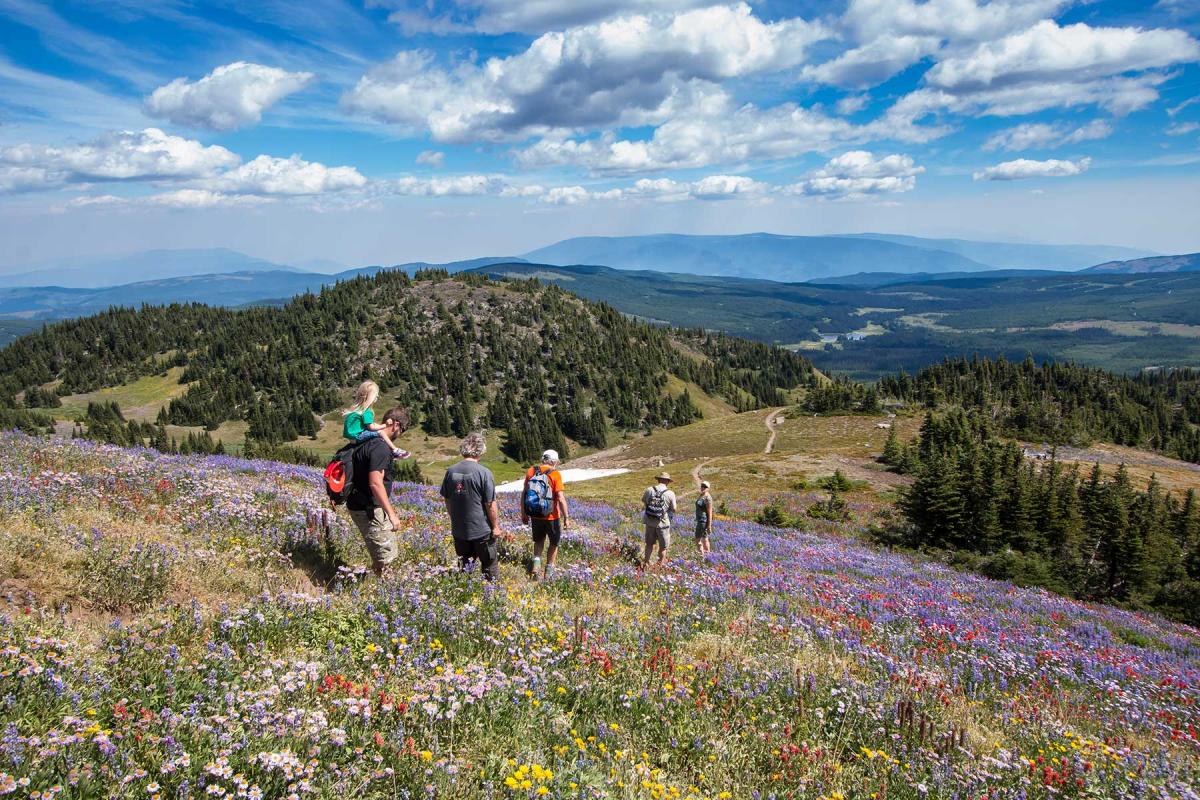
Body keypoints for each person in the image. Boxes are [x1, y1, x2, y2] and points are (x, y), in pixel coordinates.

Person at [346, 407, 411, 578]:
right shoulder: (380, 447)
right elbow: (375, 483)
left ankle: (377, 582)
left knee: (385, 553)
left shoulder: (365, 441)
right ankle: (382, 591)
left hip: (359, 503)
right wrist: (392, 514)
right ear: (396, 425)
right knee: (386, 559)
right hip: (369, 508)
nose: (401, 434)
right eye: (402, 430)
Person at [440, 432, 501, 581]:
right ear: (481, 450)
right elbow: (490, 504)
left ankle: (466, 593)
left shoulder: (451, 471)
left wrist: (454, 517)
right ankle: (491, 595)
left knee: (465, 565)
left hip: (459, 529)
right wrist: (495, 526)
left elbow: (447, 499)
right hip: (482, 530)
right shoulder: (484, 473)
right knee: (489, 565)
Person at [521, 449, 569, 581]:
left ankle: (536, 564)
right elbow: (560, 497)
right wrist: (566, 517)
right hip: (551, 516)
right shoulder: (555, 474)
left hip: (535, 514)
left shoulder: (531, 471)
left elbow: (524, 493)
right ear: (553, 461)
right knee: (554, 543)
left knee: (538, 540)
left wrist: (524, 513)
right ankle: (548, 571)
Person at [343, 380, 409, 458]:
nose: (377, 397)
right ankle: (395, 450)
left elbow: (370, 425)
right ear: (371, 397)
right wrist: (385, 425)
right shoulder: (366, 411)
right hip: (357, 437)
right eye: (376, 395)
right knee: (381, 432)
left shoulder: (356, 410)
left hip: (351, 439)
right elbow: (371, 427)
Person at [641, 471, 677, 569]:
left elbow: (644, 501)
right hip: (663, 523)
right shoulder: (670, 493)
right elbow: (674, 509)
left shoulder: (649, 490)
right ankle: (659, 566)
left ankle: (646, 563)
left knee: (649, 544)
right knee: (663, 546)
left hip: (649, 521)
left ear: (658, 480)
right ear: (668, 482)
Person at [695, 480, 714, 555]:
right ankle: (708, 555)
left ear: (708, 488)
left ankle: (701, 555)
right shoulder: (701, 495)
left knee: (697, 539)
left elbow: (710, 512)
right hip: (700, 520)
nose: (703, 487)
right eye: (702, 486)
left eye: (705, 486)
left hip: (703, 521)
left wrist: (709, 525)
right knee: (705, 538)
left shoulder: (707, 498)